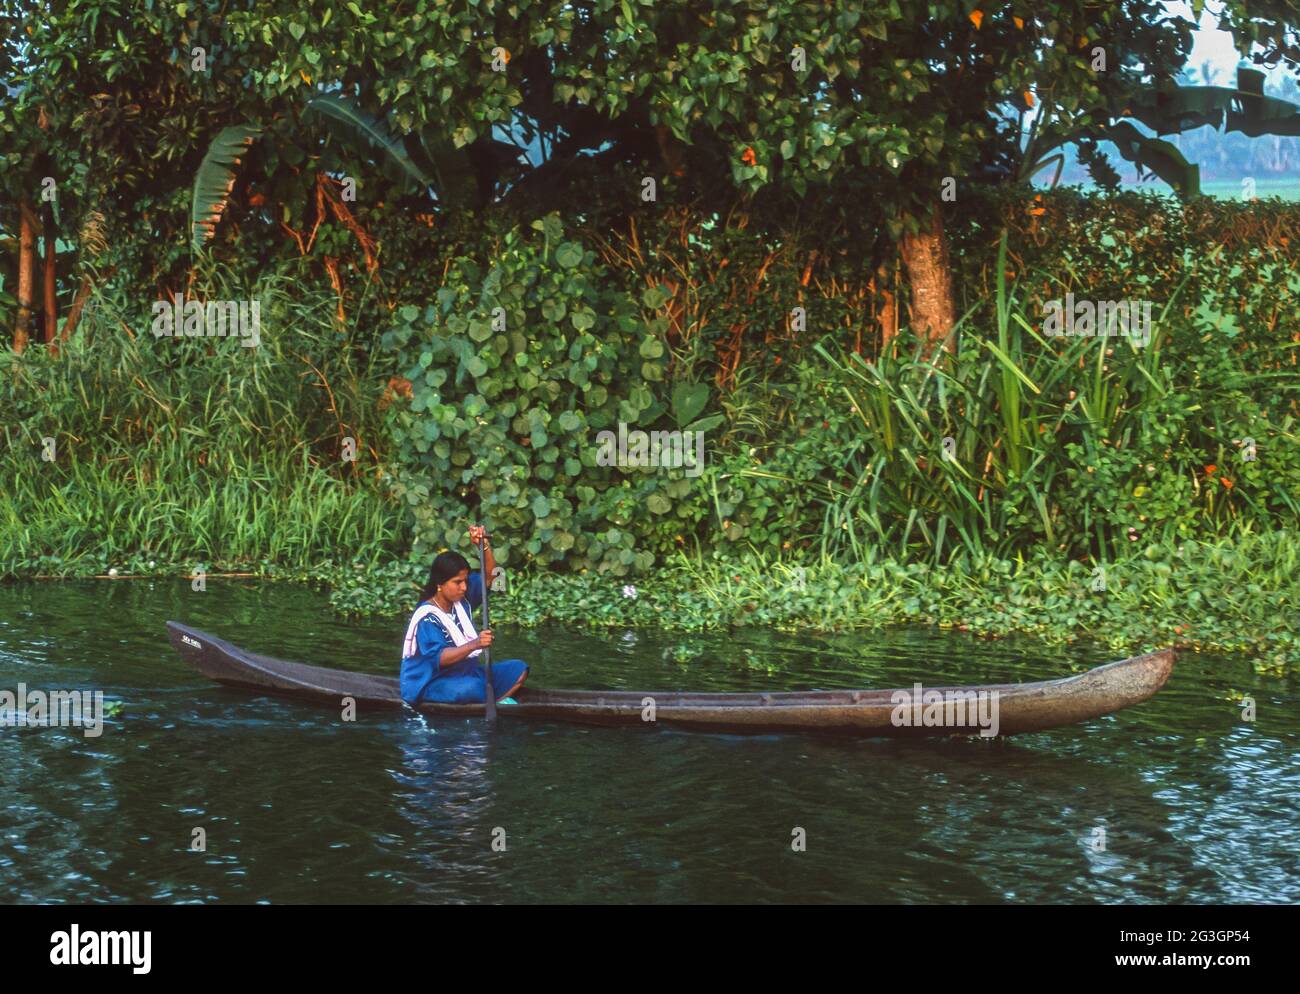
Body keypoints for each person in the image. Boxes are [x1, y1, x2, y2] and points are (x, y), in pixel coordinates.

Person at [400, 525, 529, 706]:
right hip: (432, 681)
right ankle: (487, 699)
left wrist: (483, 546)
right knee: (472, 688)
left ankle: (493, 701)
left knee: (519, 669)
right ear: (440, 584)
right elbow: (441, 658)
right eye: (457, 582)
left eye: (466, 581)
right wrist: (475, 644)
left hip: (466, 673)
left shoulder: (462, 599)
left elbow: (493, 578)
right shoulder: (427, 617)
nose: (464, 587)